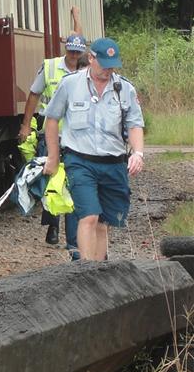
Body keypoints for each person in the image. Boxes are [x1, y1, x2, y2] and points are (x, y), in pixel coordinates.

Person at [41, 37, 145, 262]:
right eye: (104, 65)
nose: (108, 70)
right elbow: (52, 119)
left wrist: (138, 153)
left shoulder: (124, 89)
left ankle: (99, 270)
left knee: (103, 222)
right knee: (88, 216)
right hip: (80, 161)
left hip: (113, 163)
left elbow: (135, 124)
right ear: (91, 58)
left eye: (112, 66)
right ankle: (86, 269)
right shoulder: (70, 84)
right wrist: (53, 157)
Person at [18, 25, 88, 255]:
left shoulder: (86, 72)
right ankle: (52, 225)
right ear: (66, 49)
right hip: (51, 134)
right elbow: (34, 94)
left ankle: (72, 240)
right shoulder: (49, 67)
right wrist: (26, 124)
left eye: (77, 53)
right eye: (71, 51)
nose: (73, 56)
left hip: (76, 138)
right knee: (51, 181)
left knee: (72, 184)